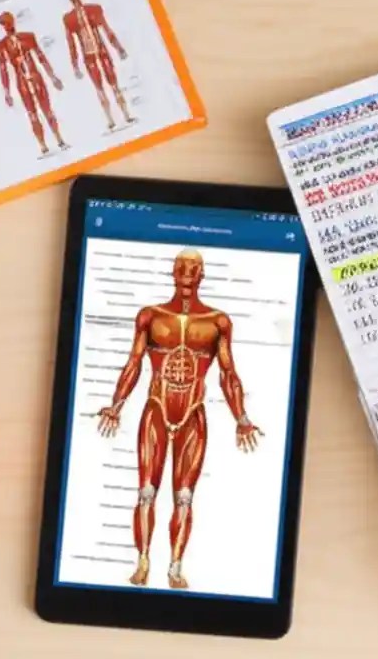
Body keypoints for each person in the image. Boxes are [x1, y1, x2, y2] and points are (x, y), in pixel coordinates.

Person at [97, 249, 263, 589]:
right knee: (146, 491)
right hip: (156, 407)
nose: (187, 273)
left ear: (202, 274)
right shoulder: (150, 316)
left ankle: (174, 567)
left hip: (192, 413)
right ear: (173, 272)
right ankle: (143, 561)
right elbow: (134, 363)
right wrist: (116, 405)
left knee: (184, 495)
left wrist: (242, 417)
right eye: (181, 267)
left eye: (194, 268)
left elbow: (228, 374)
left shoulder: (218, 322)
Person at [0, 11, 68, 154]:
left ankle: (59, 139)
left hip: (35, 76)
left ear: (13, 21)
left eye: (8, 22)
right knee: (32, 113)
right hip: (22, 80)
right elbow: (3, 69)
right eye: (4, 23)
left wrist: (52, 77)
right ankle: (43, 145)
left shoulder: (28, 37)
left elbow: (40, 56)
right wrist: (7, 92)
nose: (7, 25)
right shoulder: (1, 45)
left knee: (47, 110)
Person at [63, 0, 134, 131]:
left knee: (113, 84)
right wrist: (75, 65)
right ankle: (110, 119)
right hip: (89, 55)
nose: (74, 0)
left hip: (101, 51)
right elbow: (72, 44)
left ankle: (125, 115)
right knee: (100, 88)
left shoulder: (93, 9)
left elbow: (106, 29)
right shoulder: (69, 19)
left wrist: (119, 48)